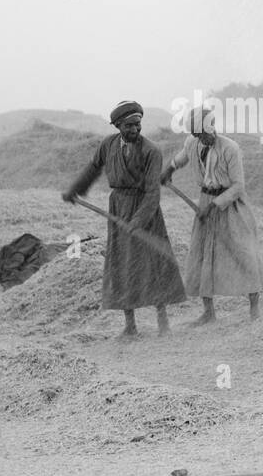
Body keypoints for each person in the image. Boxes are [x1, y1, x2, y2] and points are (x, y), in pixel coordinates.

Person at [62, 100, 186, 336]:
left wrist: (138, 222)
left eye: (138, 125)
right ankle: (130, 325)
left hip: (145, 211)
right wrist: (74, 190)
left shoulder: (152, 151)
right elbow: (92, 169)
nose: (135, 130)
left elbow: (153, 192)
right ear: (118, 125)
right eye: (129, 126)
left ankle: (163, 322)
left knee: (153, 264)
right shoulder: (108, 145)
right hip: (118, 206)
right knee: (124, 265)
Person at [161, 107, 263, 324]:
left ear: (211, 128)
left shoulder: (230, 148)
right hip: (206, 201)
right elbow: (181, 158)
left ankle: (254, 308)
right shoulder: (193, 142)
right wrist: (169, 170)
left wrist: (215, 205)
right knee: (202, 254)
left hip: (231, 205)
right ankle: (209, 312)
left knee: (241, 251)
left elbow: (238, 186)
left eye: (203, 134)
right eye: (197, 136)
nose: (201, 139)